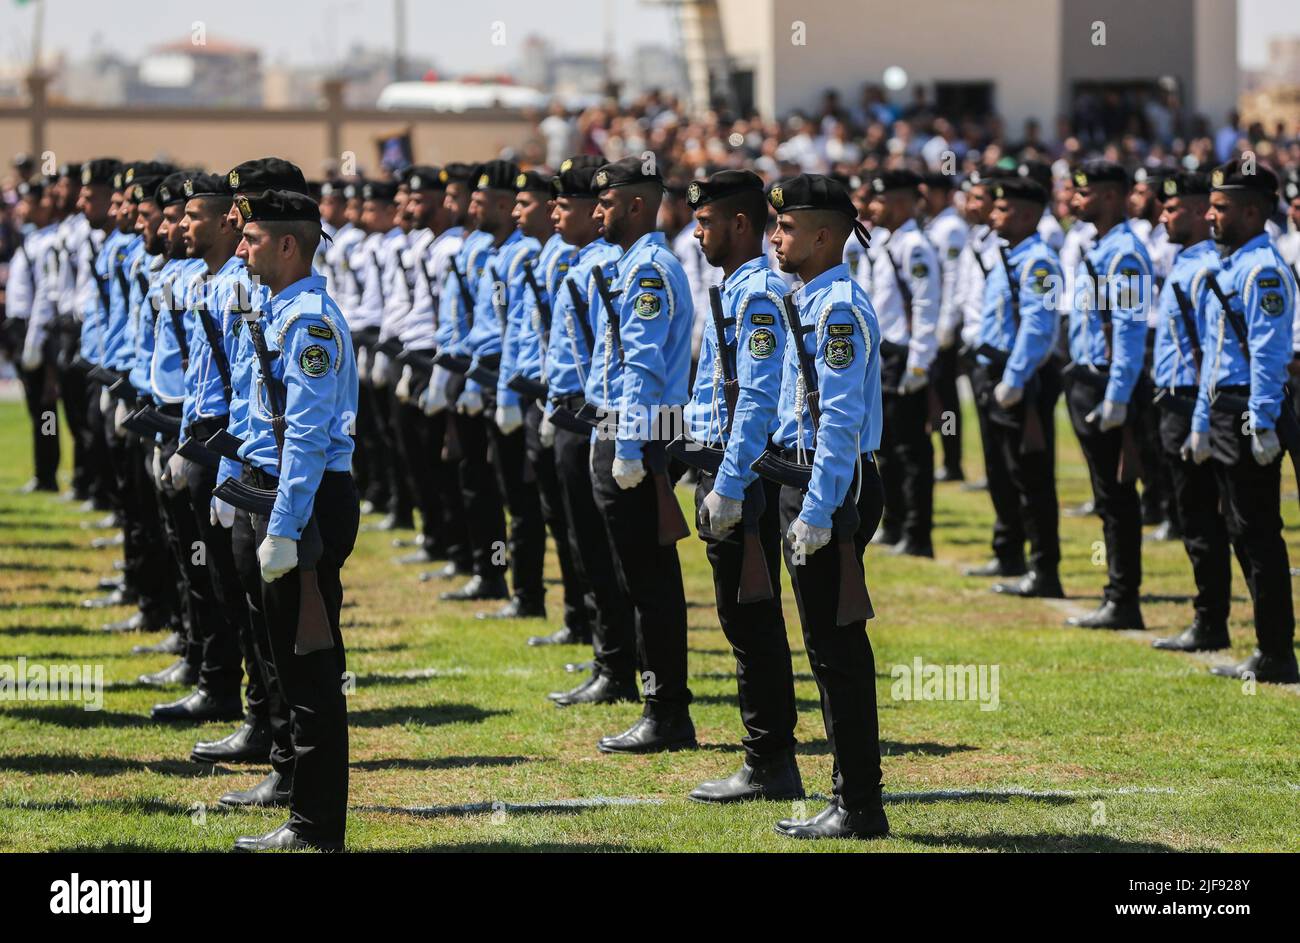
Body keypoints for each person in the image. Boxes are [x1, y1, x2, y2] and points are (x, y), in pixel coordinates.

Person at [229, 188, 360, 851]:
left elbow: (307, 439)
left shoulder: (308, 320)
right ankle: (306, 818)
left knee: (311, 674)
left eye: (252, 238)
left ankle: (315, 828)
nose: (241, 247)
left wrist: (282, 528)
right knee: (290, 666)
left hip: (303, 506)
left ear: (287, 244)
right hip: (281, 499)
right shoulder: (278, 310)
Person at [762, 172, 889, 839]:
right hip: (812, 480)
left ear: (823, 234)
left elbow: (839, 420)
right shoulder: (810, 298)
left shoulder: (836, 307)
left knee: (837, 649)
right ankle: (853, 797)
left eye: (784, 227)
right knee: (827, 646)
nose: (774, 237)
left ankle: (859, 804)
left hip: (829, 487)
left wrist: (816, 509)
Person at [683, 169, 801, 803]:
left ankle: (770, 761)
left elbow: (754, 400)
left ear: (739, 224)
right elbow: (718, 388)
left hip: (745, 475)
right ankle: (766, 758)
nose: (697, 231)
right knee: (739, 617)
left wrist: (727, 485)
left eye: (706, 222)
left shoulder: (756, 292)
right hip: (724, 465)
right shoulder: (732, 286)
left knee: (751, 620)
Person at [586, 156, 697, 752]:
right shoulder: (630, 264)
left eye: (605, 203)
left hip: (640, 436)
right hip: (625, 430)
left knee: (650, 583)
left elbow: (642, 367)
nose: (596, 212)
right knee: (637, 578)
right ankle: (661, 708)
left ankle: (667, 713)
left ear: (634, 205)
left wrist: (627, 446)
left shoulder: (649, 269)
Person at [1183, 160, 1299, 685]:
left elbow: (1269, 357)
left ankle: (1275, 650)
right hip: (1226, 409)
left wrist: (1263, 421)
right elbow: (1215, 353)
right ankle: (1268, 643)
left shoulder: (1262, 270)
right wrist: (1203, 420)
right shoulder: (1229, 265)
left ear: (1253, 212)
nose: (1209, 215)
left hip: (1249, 410)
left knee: (1257, 532)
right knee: (1238, 527)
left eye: (1221, 207)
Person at [541, 156, 639, 704]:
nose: (557, 213)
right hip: (572, 411)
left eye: (567, 204)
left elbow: (608, 356)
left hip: (591, 414)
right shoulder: (582, 262)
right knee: (584, 543)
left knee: (602, 548)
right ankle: (612, 654)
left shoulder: (602, 266)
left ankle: (619, 663)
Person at [1063, 160, 1153, 631]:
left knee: (1117, 498)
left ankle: (1123, 598)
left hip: (1105, 385)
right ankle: (1118, 595)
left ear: (1113, 196)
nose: (1077, 200)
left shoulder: (1125, 253)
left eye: (1087, 192)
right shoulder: (1098, 246)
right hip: (1086, 379)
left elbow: (1129, 328)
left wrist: (1118, 396)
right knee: (1107, 496)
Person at [975, 177, 1064, 598]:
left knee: (1032, 479)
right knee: (1006, 473)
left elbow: (1038, 325)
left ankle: (1045, 571)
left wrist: (1014, 379)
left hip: (1022, 382)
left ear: (1029, 215)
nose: (993, 215)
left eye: (1003, 209)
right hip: (997, 373)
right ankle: (1018, 558)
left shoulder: (1039, 262)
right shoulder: (1012, 256)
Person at [863, 169, 940, 557]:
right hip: (884, 356)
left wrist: (920, 364)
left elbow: (926, 307)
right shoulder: (885, 242)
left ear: (899, 201)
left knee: (911, 452)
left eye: (878, 200)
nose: (871, 207)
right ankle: (892, 524)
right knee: (887, 448)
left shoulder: (914, 245)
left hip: (904, 356)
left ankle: (917, 532)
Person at [7, 177, 61, 493]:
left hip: (34, 332)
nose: (22, 208)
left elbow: (44, 294)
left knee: (44, 409)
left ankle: (47, 474)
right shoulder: (34, 238)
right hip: (21, 330)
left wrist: (33, 341)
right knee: (36, 409)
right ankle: (43, 472)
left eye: (28, 201)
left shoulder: (48, 242)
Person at [922, 171, 969, 482]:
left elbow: (953, 276)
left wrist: (946, 323)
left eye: (927, 194)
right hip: (933, 322)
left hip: (943, 321)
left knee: (946, 394)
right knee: (936, 392)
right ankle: (948, 457)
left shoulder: (950, 227)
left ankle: (952, 460)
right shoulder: (936, 225)